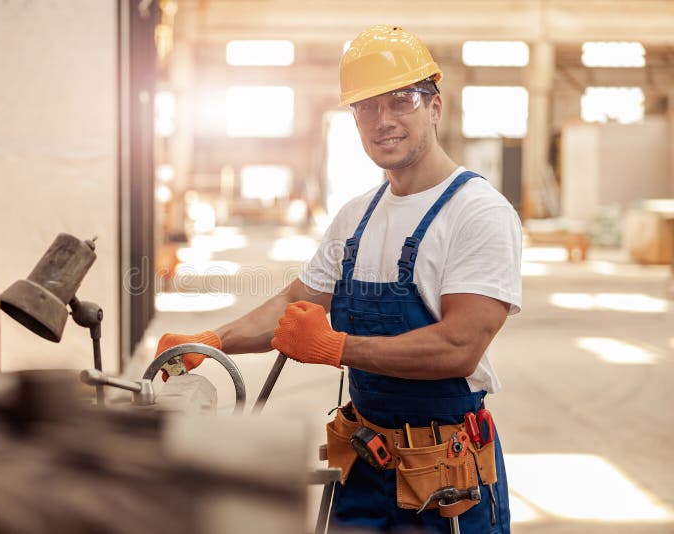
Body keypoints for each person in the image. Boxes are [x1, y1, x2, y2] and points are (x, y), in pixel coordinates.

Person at [155, 25, 521, 533]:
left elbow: (458, 347)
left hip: (445, 483)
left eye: (402, 101)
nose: (383, 120)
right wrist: (213, 341)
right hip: (365, 467)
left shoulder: (478, 213)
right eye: (366, 107)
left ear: (435, 107)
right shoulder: (357, 216)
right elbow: (298, 300)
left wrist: (335, 348)